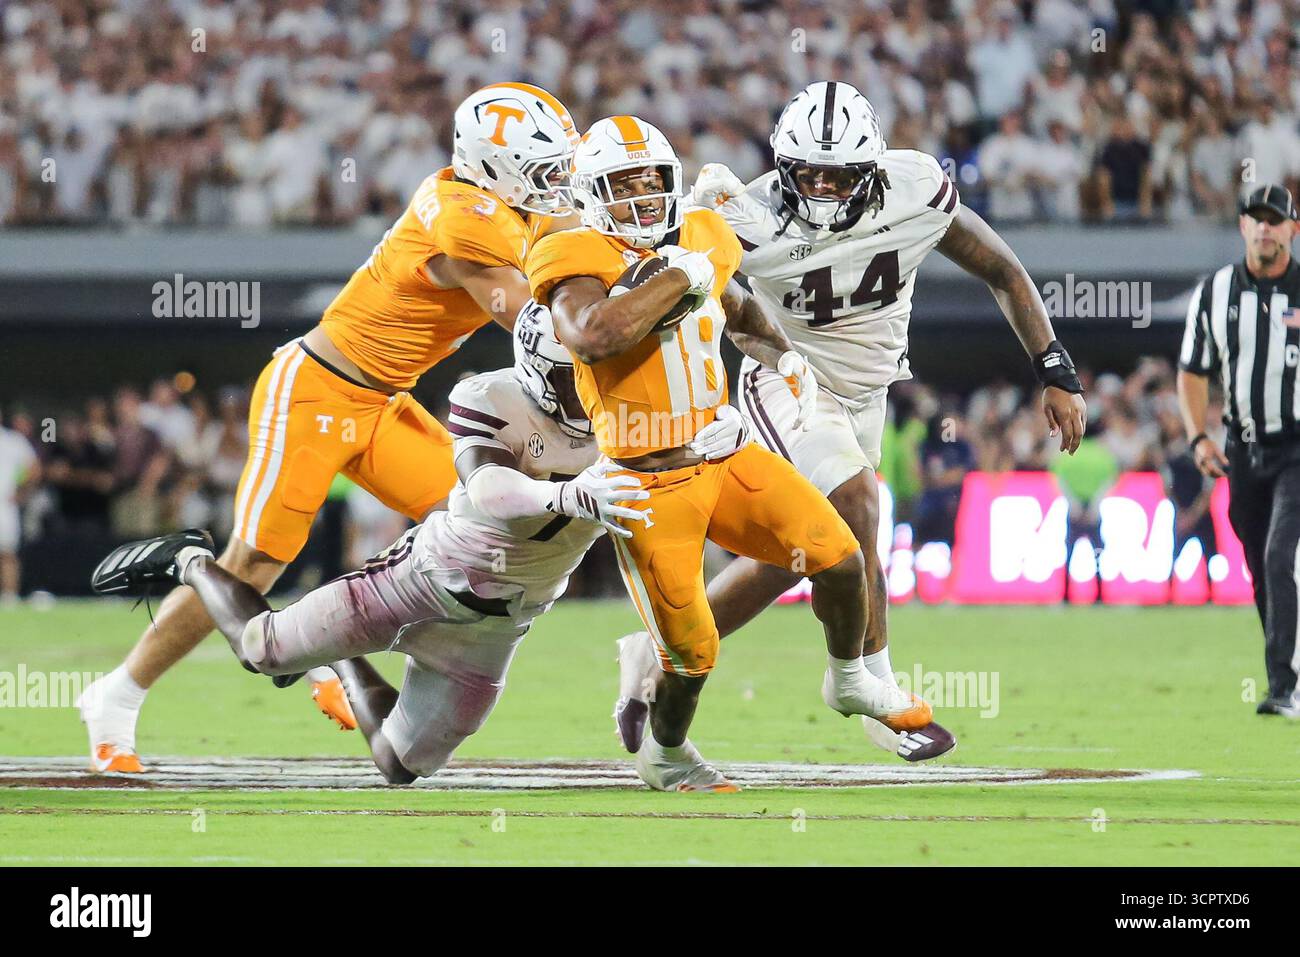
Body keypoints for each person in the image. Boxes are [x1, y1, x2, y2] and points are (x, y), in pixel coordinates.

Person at [77, 83, 580, 773]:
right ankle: (116, 696)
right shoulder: (464, 218)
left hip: (382, 404)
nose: (559, 183)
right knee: (253, 562)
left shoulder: (512, 209)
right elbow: (535, 323)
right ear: (494, 166)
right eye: (545, 168)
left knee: (483, 529)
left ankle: (339, 644)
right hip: (314, 391)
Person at [617, 81, 1085, 761]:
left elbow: (1003, 270)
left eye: (841, 176)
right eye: (810, 174)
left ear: (873, 169)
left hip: (868, 398)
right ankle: (864, 682)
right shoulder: (745, 215)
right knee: (860, 500)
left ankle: (656, 648)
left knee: (794, 559)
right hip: (788, 385)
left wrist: (1055, 367)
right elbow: (662, 291)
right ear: (784, 168)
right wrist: (687, 224)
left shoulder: (916, 187)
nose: (826, 189)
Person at [527, 115, 939, 793]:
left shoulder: (702, 234)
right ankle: (668, 751)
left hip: (724, 454)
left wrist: (787, 362)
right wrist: (678, 274)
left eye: (652, 181)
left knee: (838, 556)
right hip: (646, 480)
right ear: (590, 191)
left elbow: (739, 312)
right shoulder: (570, 253)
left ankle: (851, 679)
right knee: (693, 655)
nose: (641, 198)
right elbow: (598, 333)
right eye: (621, 185)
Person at [89, 306, 665, 783]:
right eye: (579, 369)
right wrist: (567, 498)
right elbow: (488, 488)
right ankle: (190, 559)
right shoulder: (490, 396)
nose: (592, 382)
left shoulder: (634, 418)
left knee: (400, 765)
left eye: (600, 365)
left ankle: (342, 658)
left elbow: (662, 536)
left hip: (499, 625)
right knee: (261, 650)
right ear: (540, 366)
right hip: (422, 579)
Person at [1178, 183, 1300, 718]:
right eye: (1256, 218)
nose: (1265, 228)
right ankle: (1285, 668)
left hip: (1297, 444)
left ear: (1294, 229)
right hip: (1244, 449)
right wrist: (1198, 435)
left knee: (1279, 555)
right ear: (1243, 227)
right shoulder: (1217, 290)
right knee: (1258, 561)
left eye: (1276, 220)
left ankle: (1285, 686)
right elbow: (1192, 371)